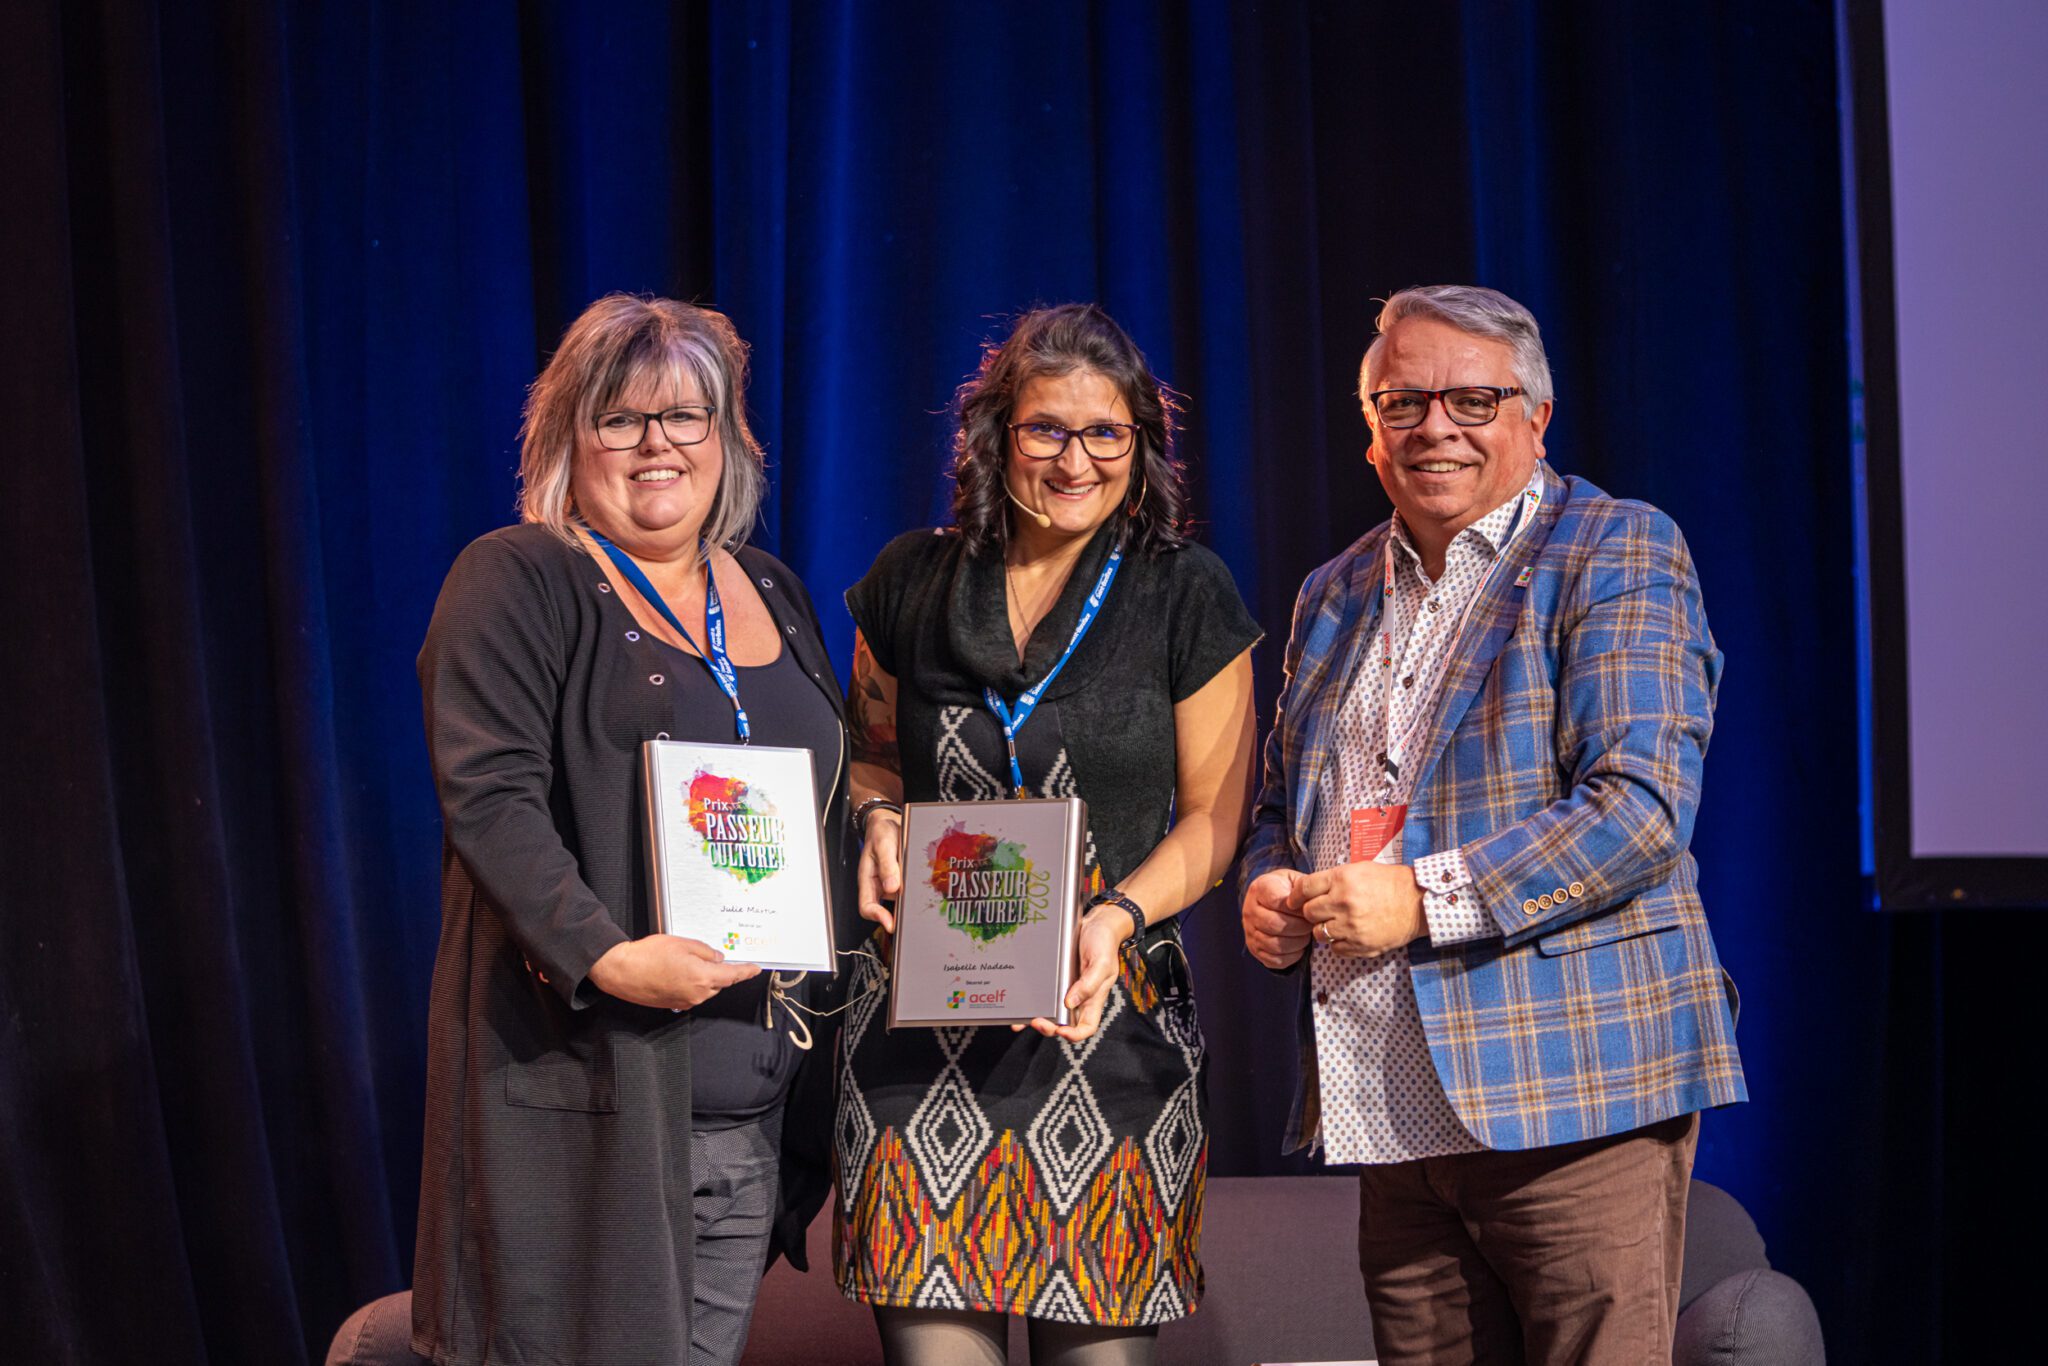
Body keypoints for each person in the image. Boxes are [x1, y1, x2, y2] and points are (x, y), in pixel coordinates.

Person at [1239, 284, 1747, 1366]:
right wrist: (1270, 885)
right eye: (1402, 402)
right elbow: (1283, 805)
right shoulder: (1332, 592)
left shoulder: (1616, 547)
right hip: (1385, 1100)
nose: (1435, 427)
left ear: (1536, 417)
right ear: (1369, 426)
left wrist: (1421, 898)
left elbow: (1640, 807)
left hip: (1570, 1092)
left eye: (1472, 399)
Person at [411, 294, 857, 1366]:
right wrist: (608, 958)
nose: (658, 443)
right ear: (570, 437)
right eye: (620, 417)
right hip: (590, 1105)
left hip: (747, 1119)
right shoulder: (519, 576)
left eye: (686, 415)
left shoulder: (771, 589)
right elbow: (490, 797)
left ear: (727, 435)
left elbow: (826, 788)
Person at [835, 304, 1262, 1365]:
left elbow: (1215, 820)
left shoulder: (1183, 591)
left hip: (1107, 1031)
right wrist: (878, 816)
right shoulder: (910, 580)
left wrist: (1114, 918)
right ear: (997, 436)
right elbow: (872, 753)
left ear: (1139, 443)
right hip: (918, 1050)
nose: (1076, 461)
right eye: (1046, 431)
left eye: (1104, 432)